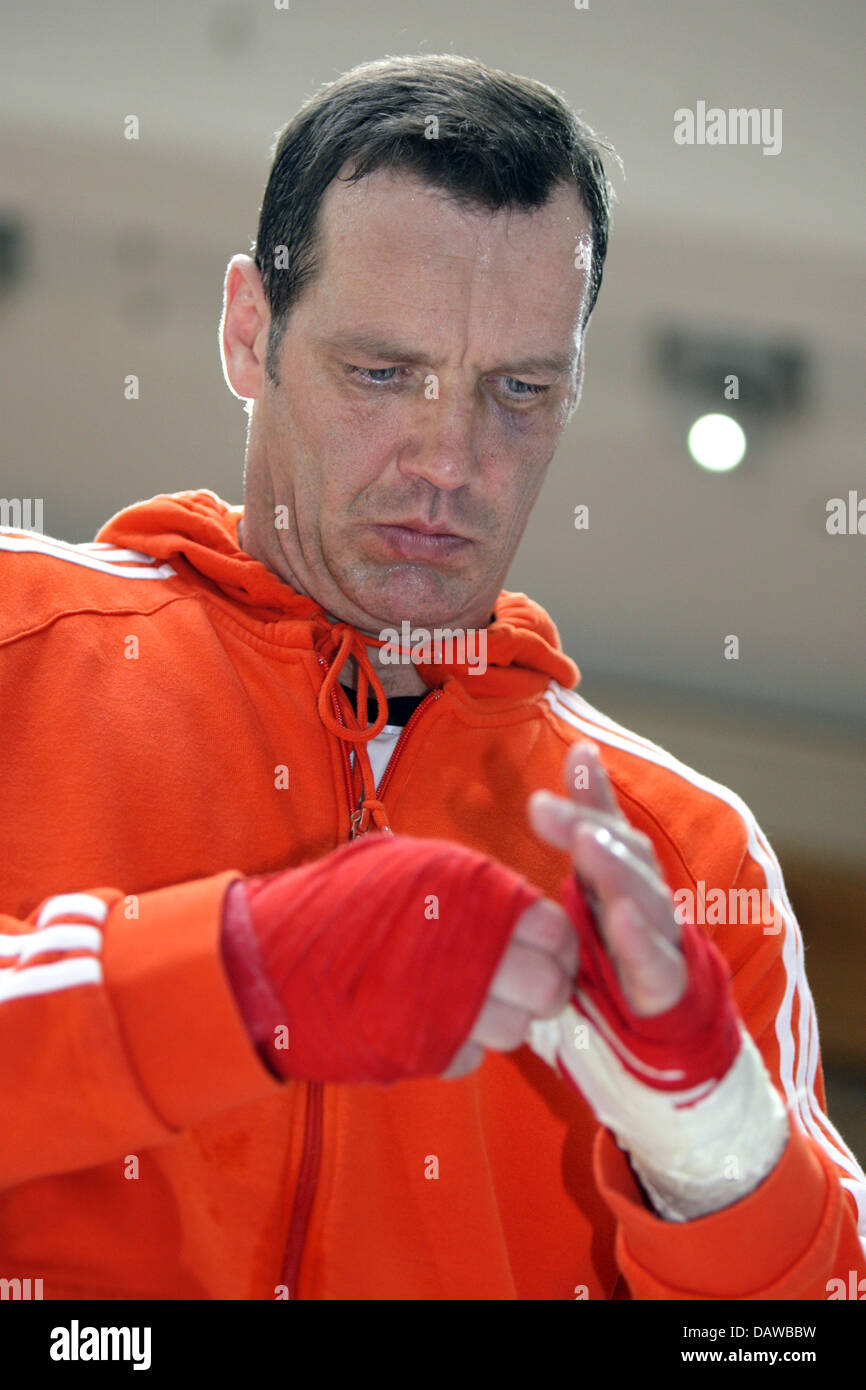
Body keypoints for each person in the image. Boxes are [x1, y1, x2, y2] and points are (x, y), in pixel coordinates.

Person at [1, 53, 863, 1302]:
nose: (449, 460)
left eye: (518, 391)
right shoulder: (19, 638)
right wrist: (226, 974)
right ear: (249, 332)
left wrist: (712, 1151)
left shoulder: (685, 858)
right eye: (380, 374)